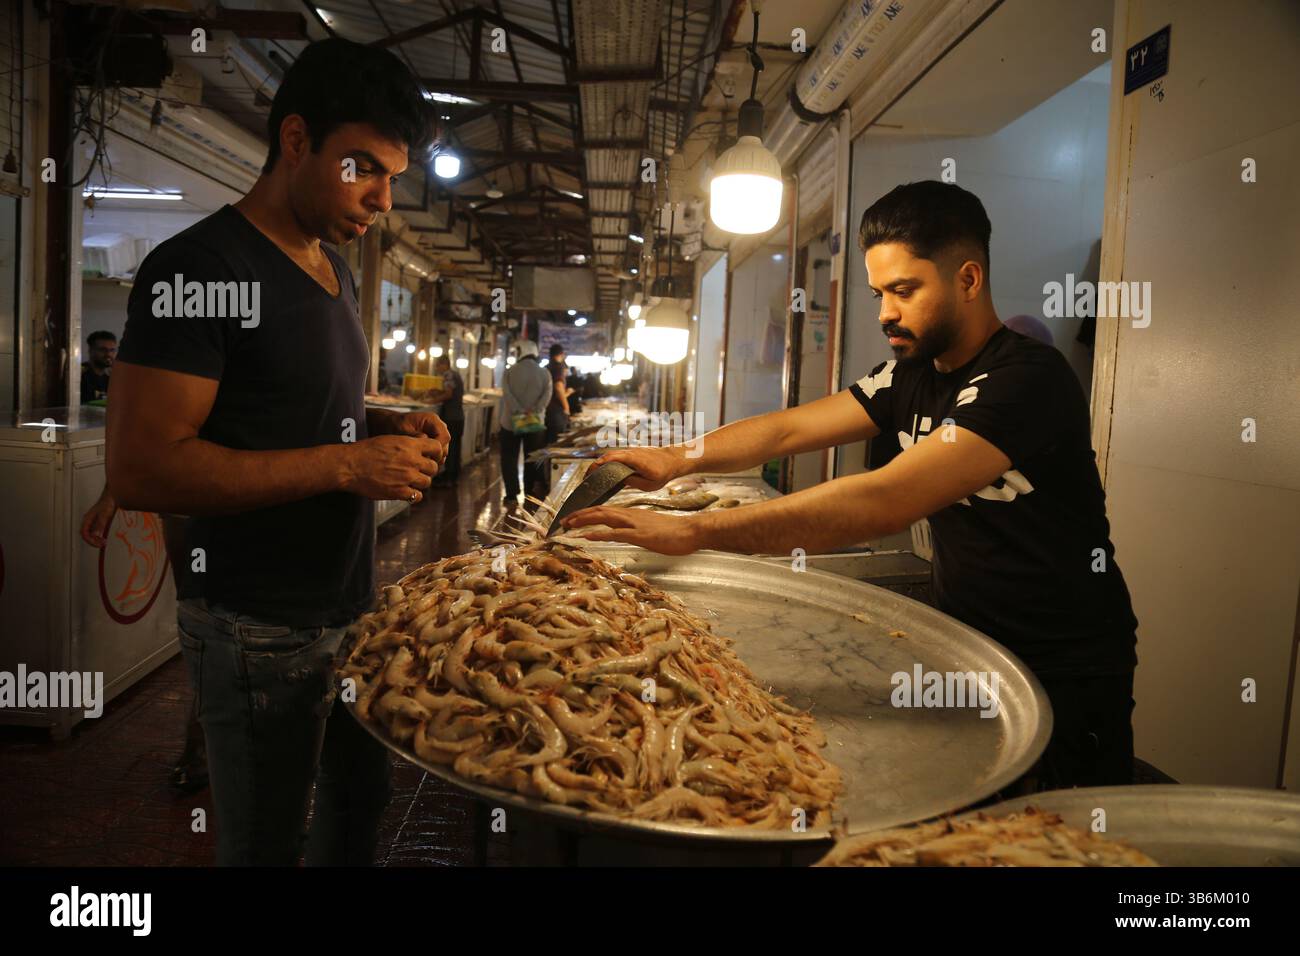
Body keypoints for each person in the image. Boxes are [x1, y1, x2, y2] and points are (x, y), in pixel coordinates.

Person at [564, 180, 1139, 792]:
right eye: (878, 293)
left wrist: (694, 531)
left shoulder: (1028, 380)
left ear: (968, 280)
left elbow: (883, 500)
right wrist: (679, 457)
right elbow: (788, 430)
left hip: (1067, 663)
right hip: (969, 644)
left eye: (904, 290)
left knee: (1060, 836)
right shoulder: (910, 374)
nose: (885, 311)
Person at [107, 37, 446, 865]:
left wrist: (374, 426)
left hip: (346, 607)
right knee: (264, 844)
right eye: (362, 166)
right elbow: (143, 468)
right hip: (255, 624)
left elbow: (290, 407)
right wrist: (346, 466)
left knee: (355, 816)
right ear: (296, 141)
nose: (382, 198)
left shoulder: (334, 269)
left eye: (393, 177)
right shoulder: (196, 268)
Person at [499, 340, 551, 507]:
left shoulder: (509, 372)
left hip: (510, 423)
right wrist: (533, 411)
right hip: (535, 424)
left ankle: (512, 495)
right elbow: (546, 396)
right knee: (532, 458)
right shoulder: (545, 373)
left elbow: (507, 394)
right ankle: (530, 492)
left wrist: (519, 410)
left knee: (509, 458)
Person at [423, 354, 465, 484]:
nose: (436, 368)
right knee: (456, 448)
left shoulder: (448, 375)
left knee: (449, 448)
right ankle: (454, 476)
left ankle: (448, 478)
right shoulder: (455, 374)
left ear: (444, 364)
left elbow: (449, 394)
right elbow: (450, 392)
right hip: (458, 417)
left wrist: (431, 401)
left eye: (437, 365)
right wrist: (437, 391)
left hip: (451, 417)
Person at [544, 342, 572, 444]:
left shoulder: (547, 367)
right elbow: (558, 388)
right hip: (556, 413)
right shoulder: (558, 367)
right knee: (556, 444)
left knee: (548, 443)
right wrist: (566, 408)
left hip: (547, 411)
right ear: (561, 354)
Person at [80, 330, 116, 402]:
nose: (108, 354)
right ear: (91, 351)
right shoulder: (79, 375)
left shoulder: (112, 378)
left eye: (112, 350)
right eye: (103, 350)